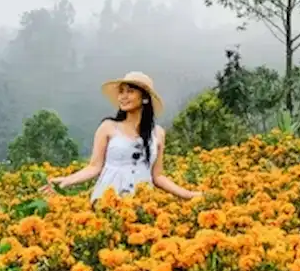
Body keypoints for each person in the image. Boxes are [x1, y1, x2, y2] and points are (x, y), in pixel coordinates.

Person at [42, 71, 203, 203]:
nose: (123, 96)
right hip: (107, 200)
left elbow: (158, 176)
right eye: (121, 92)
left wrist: (188, 195)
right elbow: (94, 167)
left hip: (142, 202)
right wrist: (66, 180)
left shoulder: (158, 133)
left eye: (130, 91)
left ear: (144, 97)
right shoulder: (108, 127)